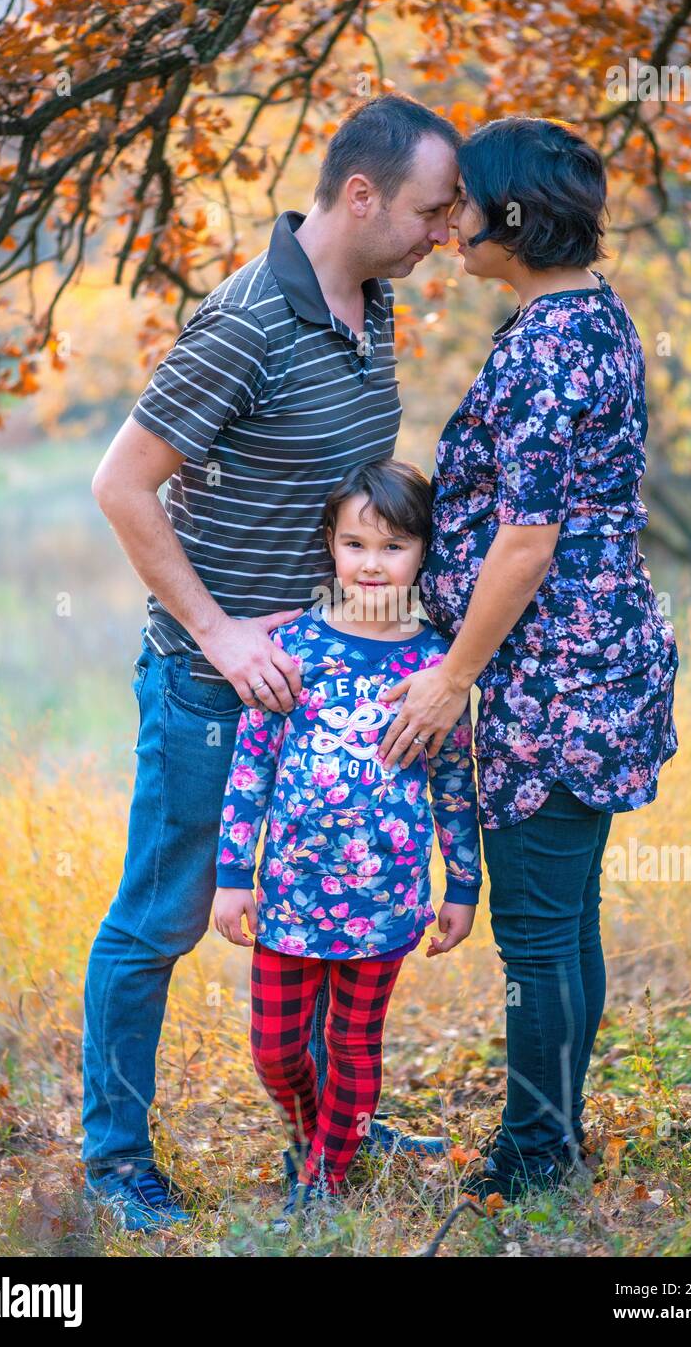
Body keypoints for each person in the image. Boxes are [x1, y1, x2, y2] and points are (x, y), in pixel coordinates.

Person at [82, 94, 461, 1230]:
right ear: (360, 196)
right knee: (163, 917)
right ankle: (113, 1161)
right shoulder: (244, 323)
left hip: (328, 678)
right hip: (215, 684)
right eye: (430, 212)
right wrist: (215, 630)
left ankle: (330, 1120)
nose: (444, 233)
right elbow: (119, 484)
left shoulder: (371, 302)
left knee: (322, 908)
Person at [372, 116, 679, 1199]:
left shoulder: (552, 345)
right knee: (566, 920)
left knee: (540, 935)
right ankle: (554, 1135)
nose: (449, 224)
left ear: (509, 216)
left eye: (462, 205)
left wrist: (452, 671)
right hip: (585, 666)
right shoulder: (583, 319)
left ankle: (536, 1154)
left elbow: (527, 537)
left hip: (553, 679)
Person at [213, 459, 482, 1225]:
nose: (371, 563)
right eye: (355, 543)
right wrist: (234, 875)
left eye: (393, 546)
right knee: (274, 1048)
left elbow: (454, 784)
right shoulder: (290, 647)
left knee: (355, 1046)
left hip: (385, 897)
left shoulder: (437, 665)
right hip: (290, 894)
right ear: (330, 545)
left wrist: (463, 886)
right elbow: (249, 771)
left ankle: (325, 1180)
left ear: (424, 551)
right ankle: (317, 1138)